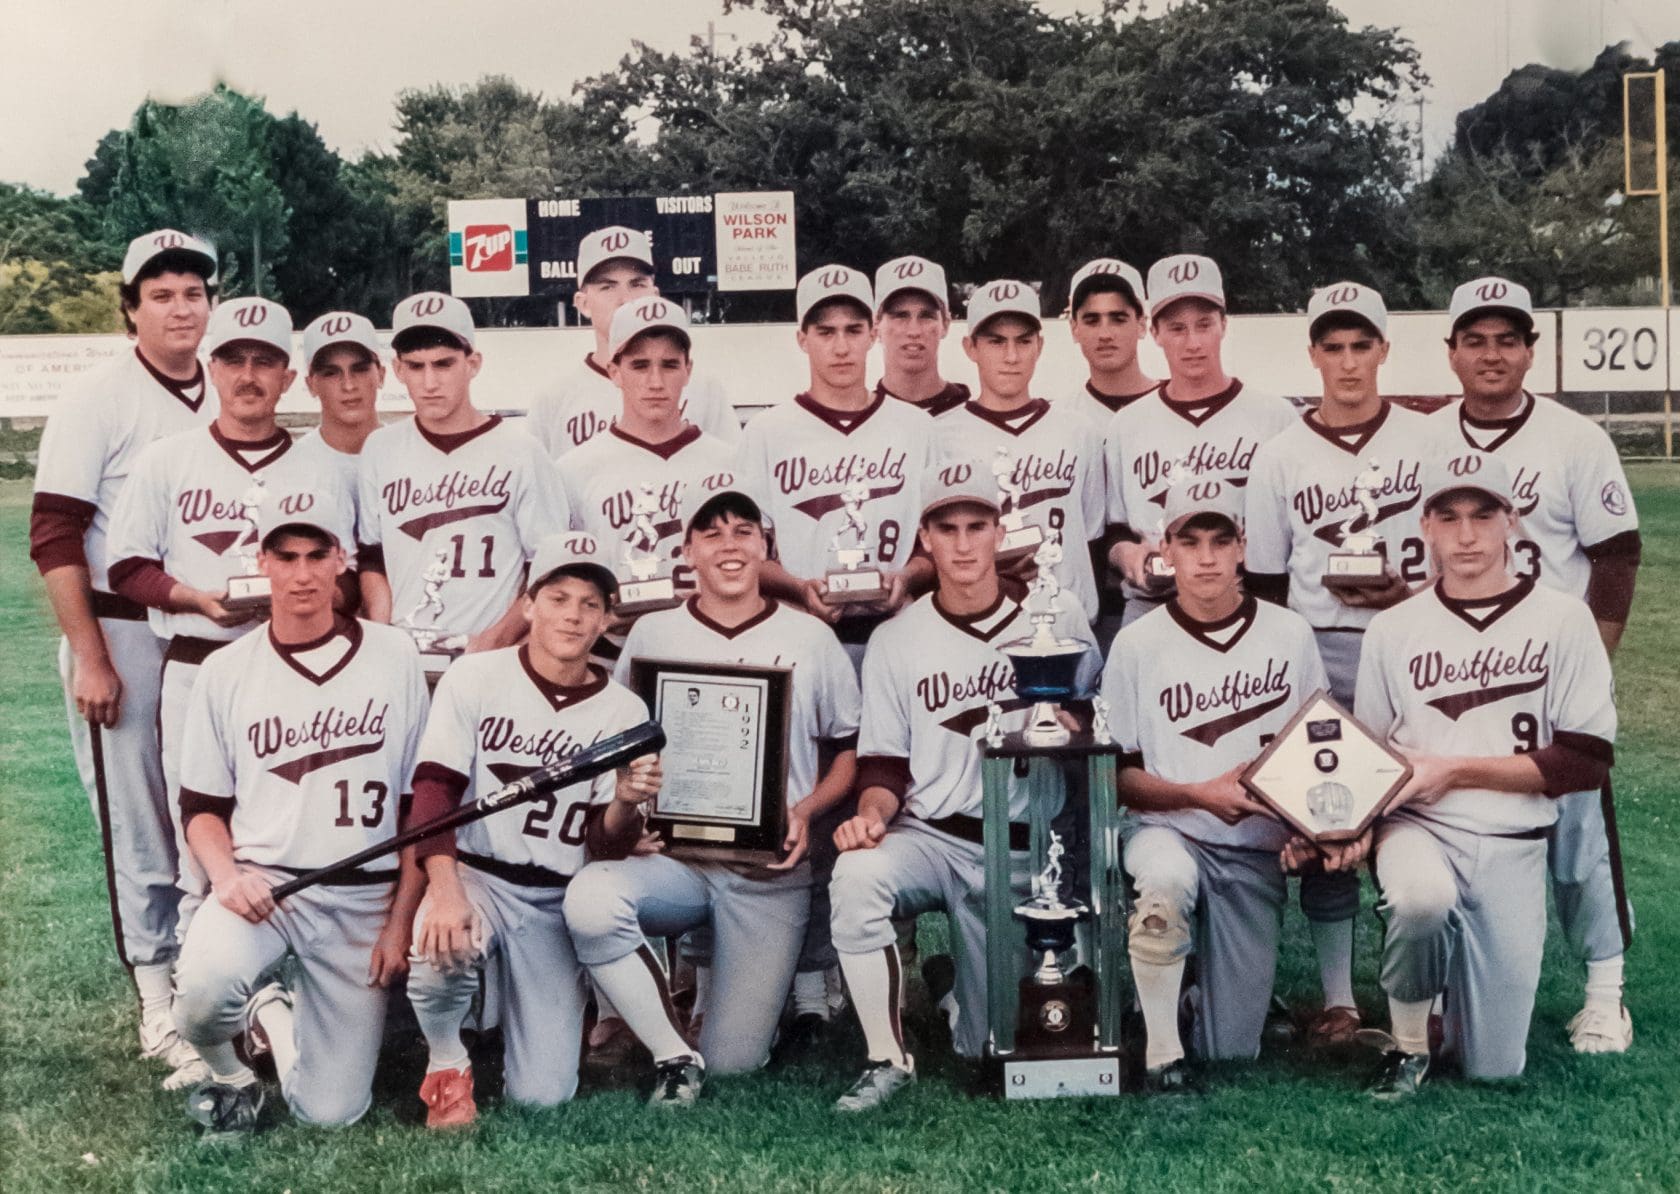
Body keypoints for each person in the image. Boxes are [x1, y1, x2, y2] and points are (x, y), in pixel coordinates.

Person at [565, 490, 860, 1107]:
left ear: (765, 548)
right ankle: (671, 1047)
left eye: (744, 532)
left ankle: (726, 1012)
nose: (730, 545)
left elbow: (847, 753)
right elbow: (621, 737)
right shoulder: (653, 631)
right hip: (673, 858)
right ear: (688, 552)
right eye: (713, 533)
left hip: (765, 868)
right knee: (593, 900)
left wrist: (805, 810)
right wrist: (632, 814)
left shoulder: (808, 637)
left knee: (735, 1064)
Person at [827, 462, 1098, 1111]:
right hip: (932, 836)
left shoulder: (1055, 612)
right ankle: (887, 1059)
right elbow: (886, 765)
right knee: (857, 876)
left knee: (992, 1047)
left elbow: (1096, 724)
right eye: (947, 528)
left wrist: (1070, 723)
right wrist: (869, 815)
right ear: (926, 539)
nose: (964, 542)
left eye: (978, 526)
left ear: (999, 532)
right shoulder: (898, 638)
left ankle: (956, 994)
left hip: (1029, 847)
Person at [107, 298, 356, 989]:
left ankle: (293, 996)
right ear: (213, 368)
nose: (249, 375)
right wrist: (197, 597)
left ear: (286, 375)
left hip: (300, 673)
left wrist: (300, 600)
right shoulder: (168, 460)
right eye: (235, 359)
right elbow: (127, 568)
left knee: (291, 833)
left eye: (265, 361)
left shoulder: (323, 467)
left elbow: (354, 579)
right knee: (202, 838)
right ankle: (203, 1004)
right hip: (197, 661)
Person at [1354, 451, 1617, 1097]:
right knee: (1421, 901)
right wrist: (1347, 830)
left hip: (1512, 842)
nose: (1466, 535)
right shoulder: (1392, 629)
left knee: (1494, 1067)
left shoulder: (1562, 618)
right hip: (1418, 826)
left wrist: (1455, 768)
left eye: (1483, 514)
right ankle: (1408, 1045)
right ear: (1424, 527)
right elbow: (1370, 762)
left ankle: (1450, 1007)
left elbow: (1584, 759)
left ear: (1512, 521)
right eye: (1449, 517)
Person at [169, 492, 428, 1142]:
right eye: (286, 556)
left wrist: (399, 922)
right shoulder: (226, 669)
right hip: (269, 886)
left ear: (342, 559)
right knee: (200, 997)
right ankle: (231, 1078)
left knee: (331, 1112)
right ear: (263, 561)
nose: (303, 573)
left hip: (364, 898)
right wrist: (226, 879)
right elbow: (200, 810)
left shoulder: (395, 655)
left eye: (318, 555)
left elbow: (418, 809)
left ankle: (273, 1017)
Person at [29, 228, 218, 1082]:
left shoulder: (226, 386)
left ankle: (220, 981)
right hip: (123, 632)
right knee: (139, 821)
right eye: (162, 294)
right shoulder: (98, 398)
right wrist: (91, 655)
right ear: (129, 309)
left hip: (214, 637)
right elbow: (54, 532)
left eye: (194, 291)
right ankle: (155, 997)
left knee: (211, 810)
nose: (182, 308)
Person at [1438, 276, 1640, 1053]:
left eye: (1507, 339)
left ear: (1532, 349)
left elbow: (1617, 555)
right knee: (1468, 821)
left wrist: (1591, 662)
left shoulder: (1574, 438)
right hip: (1457, 664)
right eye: (1476, 339)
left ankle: (1604, 993)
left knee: (1581, 832)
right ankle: (1461, 983)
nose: (1492, 355)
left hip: (1553, 657)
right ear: (1451, 351)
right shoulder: (1429, 441)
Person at [1243, 282, 1448, 1046]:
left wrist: (1409, 590)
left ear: (1386, 351)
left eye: (1362, 345)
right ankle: (1338, 999)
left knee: (1416, 814)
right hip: (1315, 647)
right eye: (1333, 346)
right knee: (1324, 808)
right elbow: (1263, 581)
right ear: (1313, 355)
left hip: (1408, 647)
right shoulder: (1282, 453)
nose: (1348, 361)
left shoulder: (1426, 442)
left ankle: (1430, 987)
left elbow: (1459, 559)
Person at [402, 532, 660, 1126]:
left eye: (590, 603)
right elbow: (435, 789)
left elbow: (606, 843)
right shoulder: (475, 677)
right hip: (480, 877)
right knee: (438, 946)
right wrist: (444, 893)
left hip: (555, 895)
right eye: (558, 597)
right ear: (527, 605)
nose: (572, 614)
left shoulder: (624, 710)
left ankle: (505, 1016)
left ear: (607, 619)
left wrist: (624, 804)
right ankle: (446, 1060)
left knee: (543, 1095)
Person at [1100, 474, 1328, 1093]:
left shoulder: (1290, 633)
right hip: (1168, 831)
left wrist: (1310, 829)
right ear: (1165, 549)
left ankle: (1193, 986)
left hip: (1254, 849)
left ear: (1243, 547)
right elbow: (1118, 779)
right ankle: (1163, 1055)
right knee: (1166, 883)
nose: (1206, 557)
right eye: (1189, 540)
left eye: (1219, 540)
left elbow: (1319, 755)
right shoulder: (1137, 644)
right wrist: (1198, 795)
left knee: (1232, 1051)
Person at [736, 264, 937, 662]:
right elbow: (746, 552)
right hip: (801, 635)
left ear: (873, 334)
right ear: (802, 339)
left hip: (903, 632)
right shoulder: (765, 431)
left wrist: (907, 577)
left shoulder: (917, 427)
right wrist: (798, 588)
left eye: (853, 330)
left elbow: (940, 539)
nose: (841, 347)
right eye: (825, 332)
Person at [357, 292, 570, 661]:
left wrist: (494, 640)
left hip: (489, 656)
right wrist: (384, 635)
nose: (429, 382)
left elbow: (550, 568)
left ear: (473, 364)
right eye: (416, 366)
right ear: (397, 370)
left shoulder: (521, 450)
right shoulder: (381, 448)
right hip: (406, 656)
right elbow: (372, 558)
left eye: (443, 364)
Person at [1103, 254, 1296, 627]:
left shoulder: (1276, 417)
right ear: (1154, 333)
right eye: (1177, 328)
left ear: (1224, 325)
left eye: (1204, 324)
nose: (1193, 342)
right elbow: (1114, 530)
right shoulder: (1127, 425)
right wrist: (1129, 556)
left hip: (1249, 606)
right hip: (1152, 607)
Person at [561, 296, 740, 661]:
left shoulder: (731, 462)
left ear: (689, 370)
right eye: (639, 365)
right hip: (610, 659)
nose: (655, 381)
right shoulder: (573, 469)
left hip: (712, 653)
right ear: (614, 371)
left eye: (669, 365)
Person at [935, 278, 1107, 625]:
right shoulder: (940, 435)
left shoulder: (1078, 430)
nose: (1011, 356)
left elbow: (1091, 538)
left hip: (1069, 621)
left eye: (1023, 341)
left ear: (1039, 346)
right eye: (996, 342)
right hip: (980, 624)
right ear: (970, 347)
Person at [527, 226, 739, 458]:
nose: (625, 299)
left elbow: (734, 476)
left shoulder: (704, 389)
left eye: (637, 284)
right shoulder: (553, 400)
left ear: (655, 295)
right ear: (583, 304)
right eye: (607, 286)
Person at [295, 311, 386, 524]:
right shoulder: (295, 464)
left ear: (381, 375)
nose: (349, 385)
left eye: (360, 369)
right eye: (331, 373)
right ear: (311, 385)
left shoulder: (406, 452)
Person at [1066, 258, 1157, 435]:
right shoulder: (1060, 419)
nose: (1105, 334)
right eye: (1092, 321)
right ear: (1074, 329)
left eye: (1118, 319)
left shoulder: (1175, 409)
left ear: (1141, 325)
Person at [872, 255, 970, 417]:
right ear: (876, 326)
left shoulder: (973, 419)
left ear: (945, 324)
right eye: (900, 315)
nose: (914, 331)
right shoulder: (860, 421)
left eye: (926, 316)